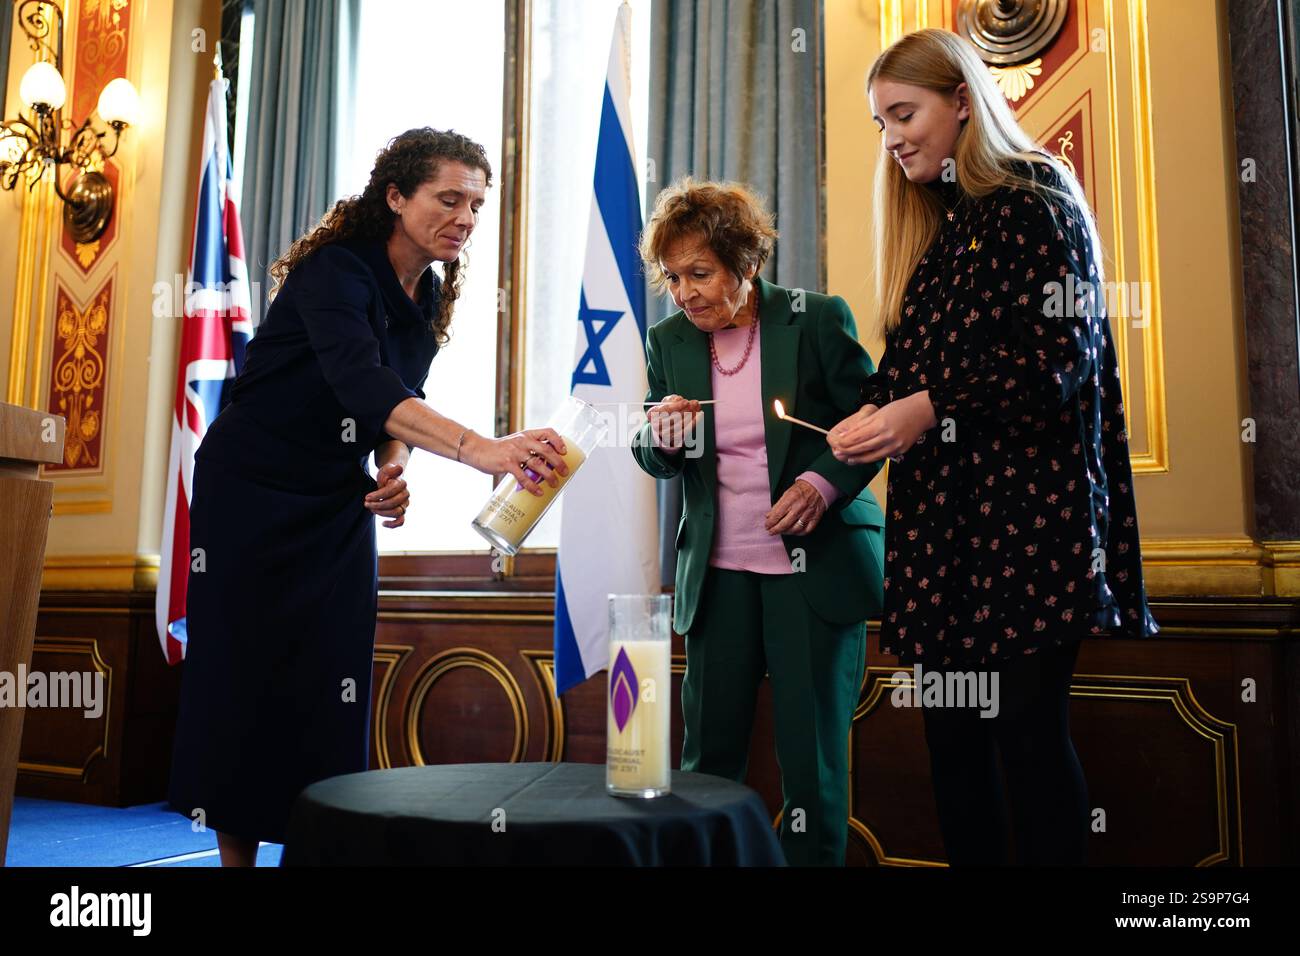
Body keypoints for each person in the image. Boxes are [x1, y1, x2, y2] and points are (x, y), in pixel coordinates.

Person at [168, 128, 570, 866]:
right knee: (242, 674)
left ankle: (312, 852)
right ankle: (234, 861)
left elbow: (397, 400)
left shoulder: (431, 289)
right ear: (395, 195)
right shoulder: (335, 272)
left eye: (477, 205)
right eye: (449, 199)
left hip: (334, 499)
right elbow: (360, 382)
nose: (466, 219)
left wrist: (393, 464)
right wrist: (482, 450)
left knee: (328, 680)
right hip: (251, 491)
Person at [828, 29, 1159, 865]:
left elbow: (1057, 361)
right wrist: (849, 434)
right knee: (953, 755)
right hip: (944, 542)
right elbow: (899, 379)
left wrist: (922, 409)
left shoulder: (1038, 203)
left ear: (964, 100)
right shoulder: (941, 236)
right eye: (879, 122)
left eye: (903, 113)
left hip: (1026, 535)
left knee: (1028, 749)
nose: (891, 136)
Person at [632, 178, 886, 866]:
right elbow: (652, 447)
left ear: (745, 263)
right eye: (672, 277)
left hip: (814, 575)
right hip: (719, 580)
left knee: (812, 766)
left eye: (700, 273)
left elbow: (870, 426)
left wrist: (820, 484)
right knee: (705, 764)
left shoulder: (817, 319)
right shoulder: (669, 340)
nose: (684, 292)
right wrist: (663, 435)